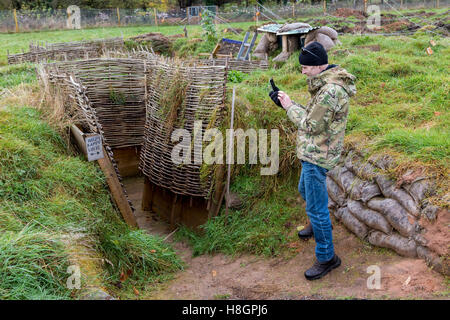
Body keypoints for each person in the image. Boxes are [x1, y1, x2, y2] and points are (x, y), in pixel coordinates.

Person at [269, 41, 356, 280]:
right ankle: (314, 225)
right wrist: (286, 102)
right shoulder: (325, 84)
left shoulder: (330, 91)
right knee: (303, 190)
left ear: (318, 66)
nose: (302, 71)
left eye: (305, 68)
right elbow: (312, 116)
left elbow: (310, 125)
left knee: (317, 209)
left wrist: (287, 107)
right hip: (313, 151)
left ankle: (327, 257)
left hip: (318, 154)